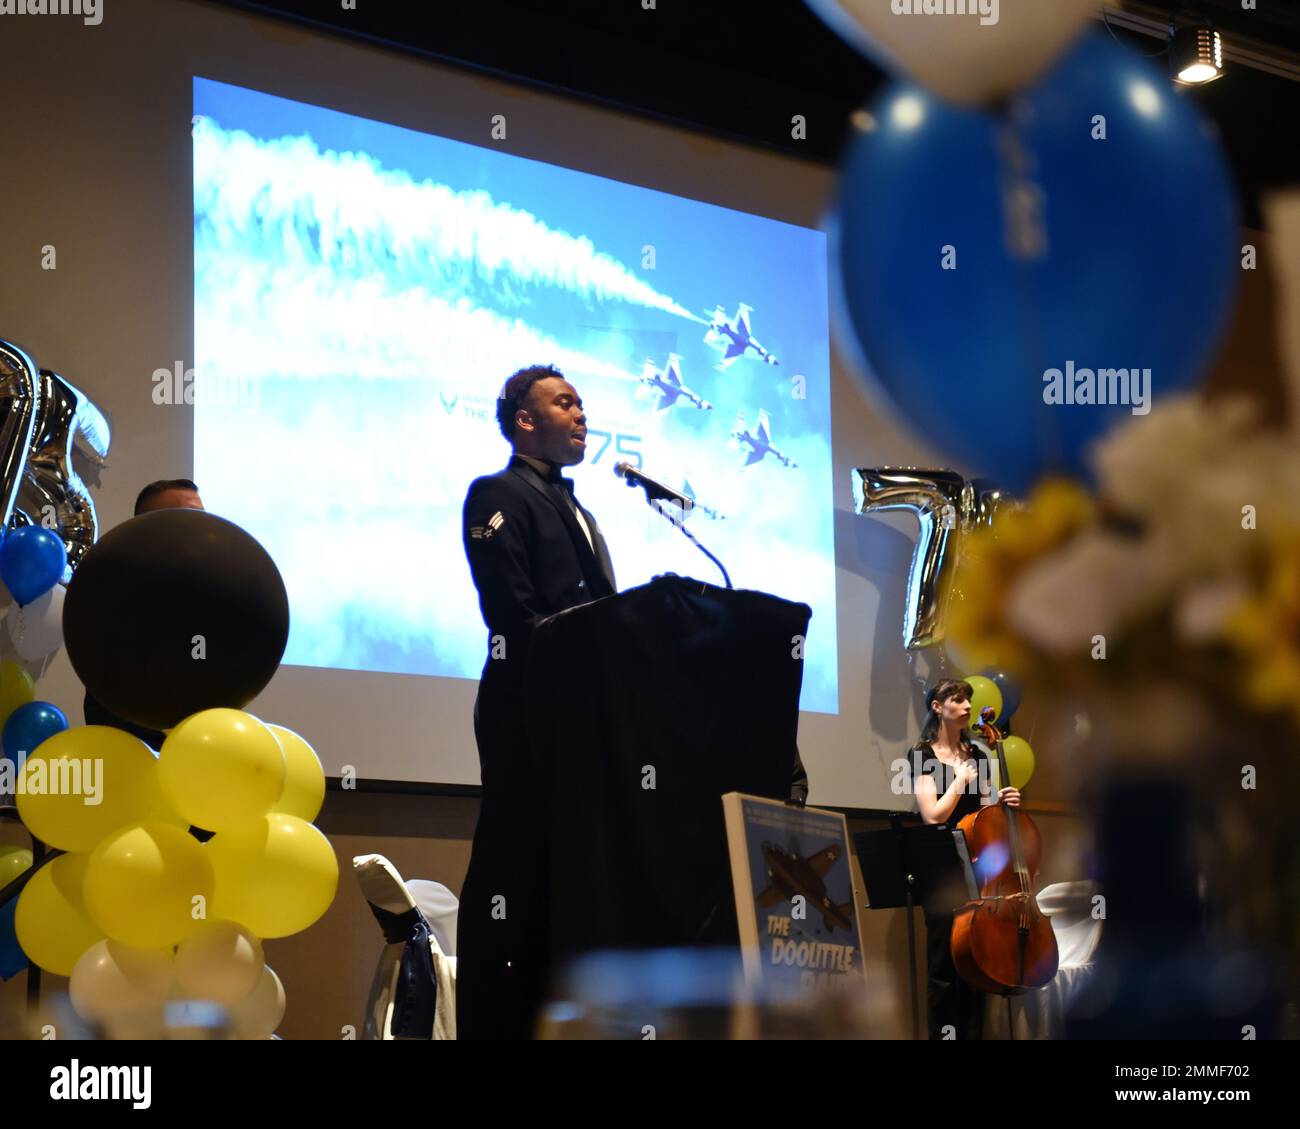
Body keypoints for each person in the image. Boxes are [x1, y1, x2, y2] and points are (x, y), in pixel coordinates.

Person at [458, 363, 617, 1040]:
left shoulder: (579, 507)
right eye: (565, 402)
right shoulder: (497, 492)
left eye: (582, 402)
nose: (582, 413)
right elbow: (513, 611)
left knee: (568, 886)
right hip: (527, 711)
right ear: (525, 419)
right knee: (512, 873)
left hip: (584, 723)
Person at [908, 678, 1020, 1040]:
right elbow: (933, 815)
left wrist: (1004, 802)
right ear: (937, 707)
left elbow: (986, 815)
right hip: (941, 870)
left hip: (976, 870)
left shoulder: (979, 756)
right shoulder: (921, 755)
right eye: (957, 699)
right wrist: (958, 780)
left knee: (976, 968)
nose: (968, 705)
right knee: (943, 968)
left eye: (969, 699)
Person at [81, 479, 206, 748]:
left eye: (202, 516)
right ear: (146, 526)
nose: (202, 528)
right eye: (185, 518)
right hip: (128, 751)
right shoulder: (113, 586)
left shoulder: (218, 587)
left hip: (204, 748)